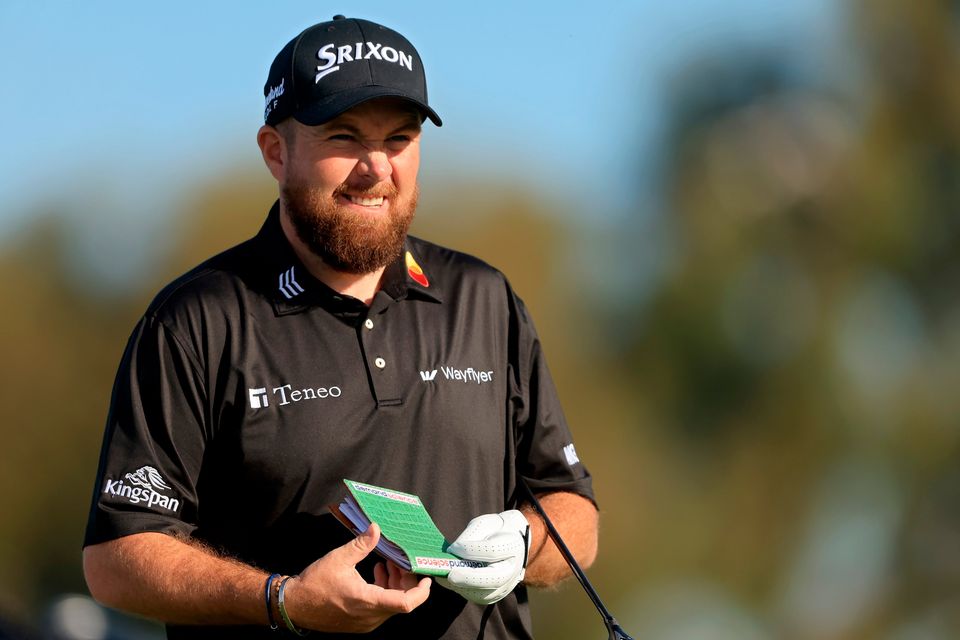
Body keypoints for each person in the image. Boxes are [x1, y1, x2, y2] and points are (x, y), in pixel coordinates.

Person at [82, 15, 598, 639]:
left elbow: (573, 510)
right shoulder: (198, 320)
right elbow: (117, 557)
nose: (376, 168)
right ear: (276, 152)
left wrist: (524, 543)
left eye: (399, 139)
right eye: (344, 137)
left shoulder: (483, 298)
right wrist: (284, 599)